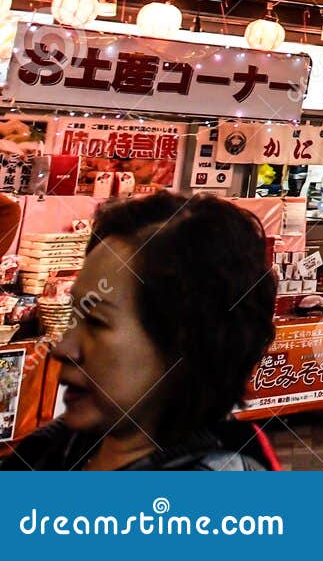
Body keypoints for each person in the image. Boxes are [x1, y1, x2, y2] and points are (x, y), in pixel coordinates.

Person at [2, 193, 278, 471]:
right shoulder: (55, 446)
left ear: (190, 343)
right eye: (74, 317)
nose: (62, 349)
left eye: (97, 323)